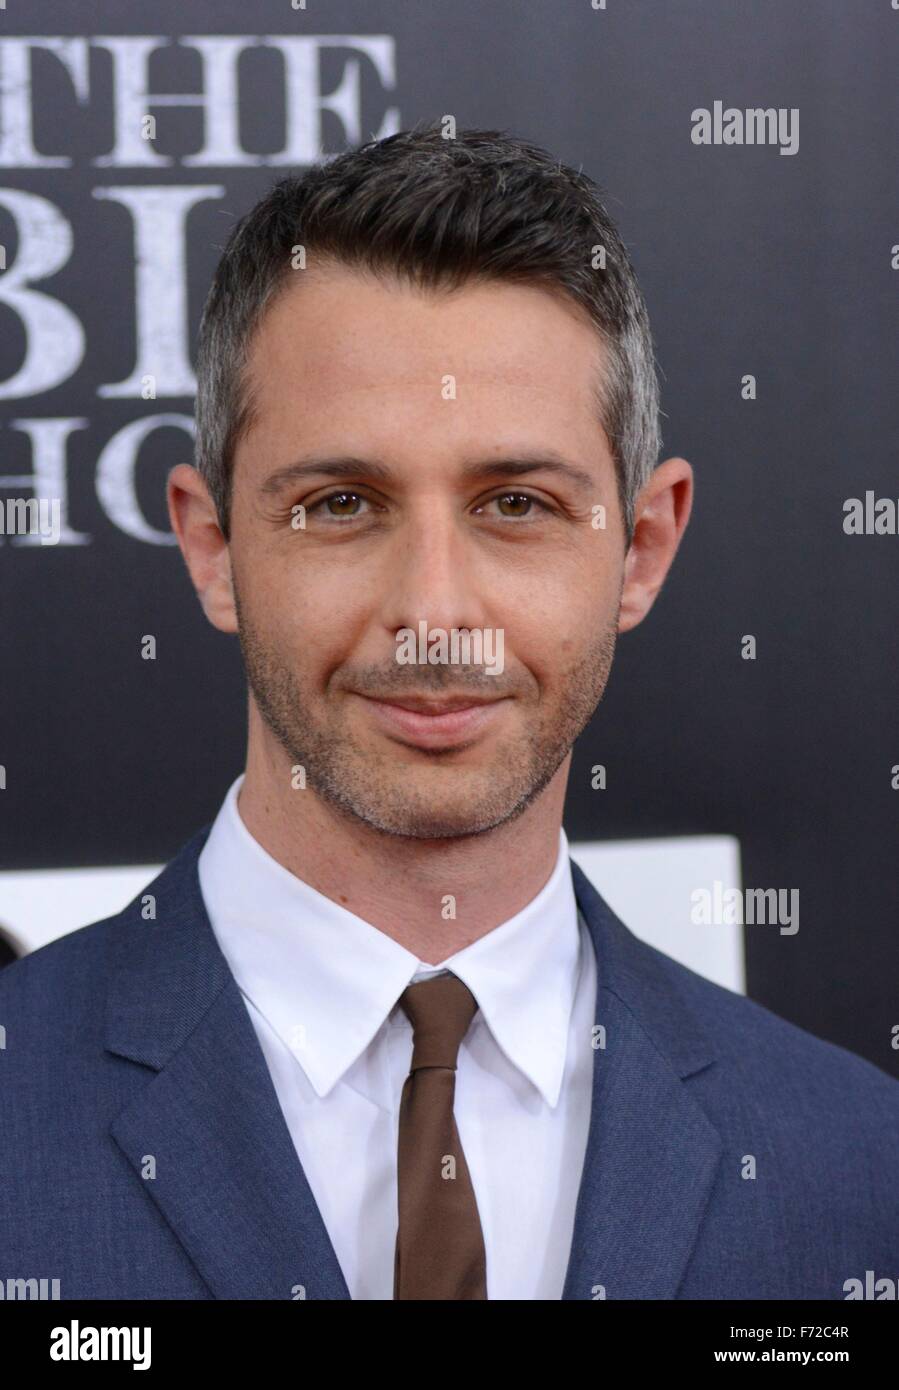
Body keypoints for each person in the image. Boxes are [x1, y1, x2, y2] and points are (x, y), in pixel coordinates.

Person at [1, 123, 897, 1301]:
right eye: (340, 503)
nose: (433, 612)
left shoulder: (857, 1165)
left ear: (639, 547)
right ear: (212, 548)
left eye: (515, 501)